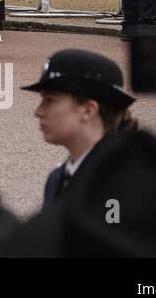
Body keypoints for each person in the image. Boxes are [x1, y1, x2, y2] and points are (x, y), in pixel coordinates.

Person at [21, 49, 137, 206]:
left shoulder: (124, 184)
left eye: (49, 100)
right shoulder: (58, 178)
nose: (38, 112)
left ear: (88, 110)